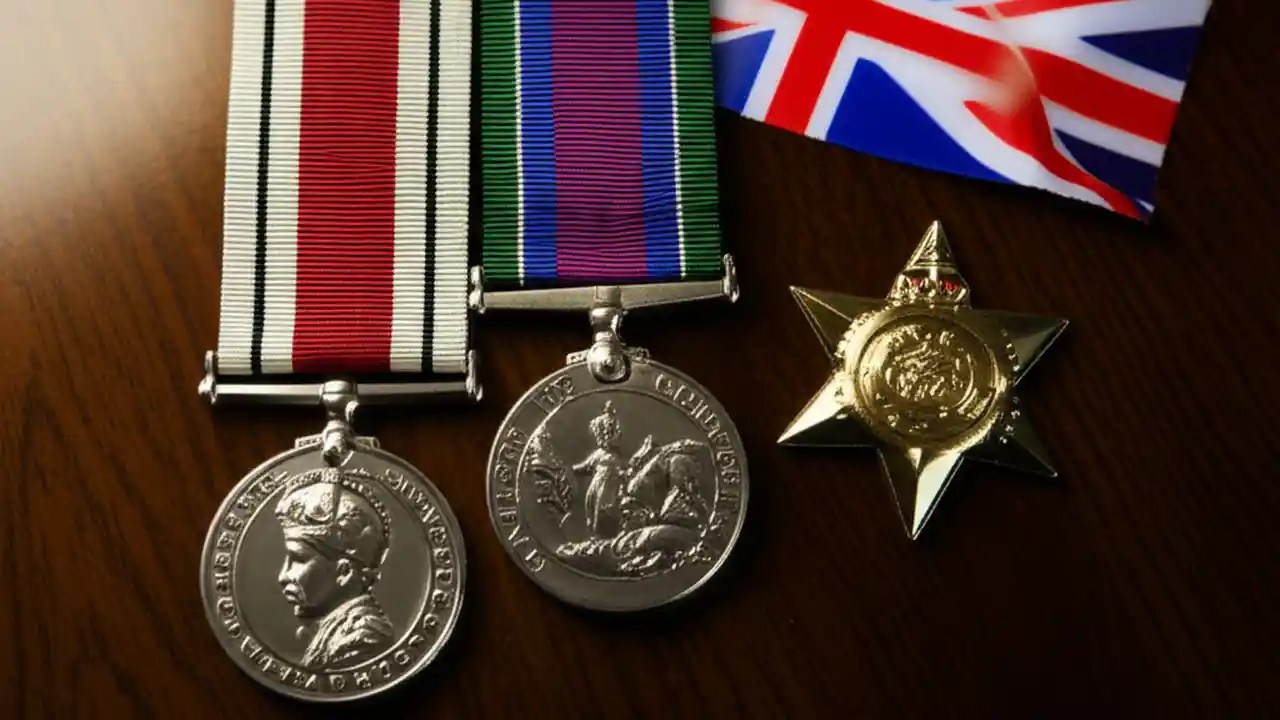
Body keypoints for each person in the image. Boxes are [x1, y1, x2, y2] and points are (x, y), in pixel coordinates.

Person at [275, 471, 395, 670]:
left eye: (298, 560)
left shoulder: (364, 640)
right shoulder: (331, 631)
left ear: (344, 572)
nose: (282, 576)